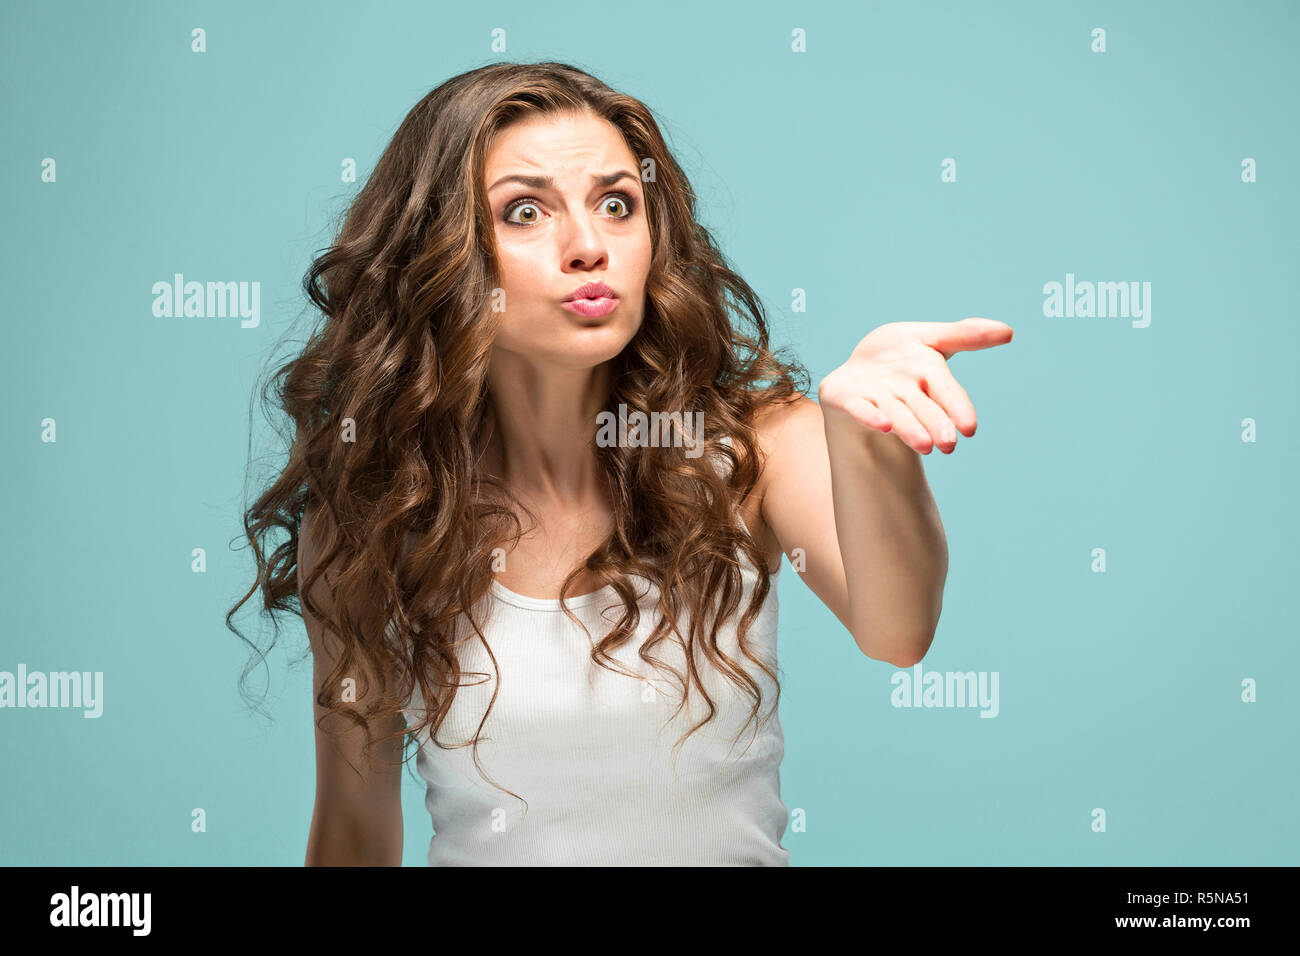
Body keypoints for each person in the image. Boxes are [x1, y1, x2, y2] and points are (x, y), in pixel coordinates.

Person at [227, 61, 1013, 867]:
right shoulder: (376, 520)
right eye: (525, 212)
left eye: (617, 203)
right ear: (438, 255)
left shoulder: (755, 446)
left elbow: (898, 631)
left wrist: (869, 442)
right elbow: (355, 829)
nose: (588, 246)